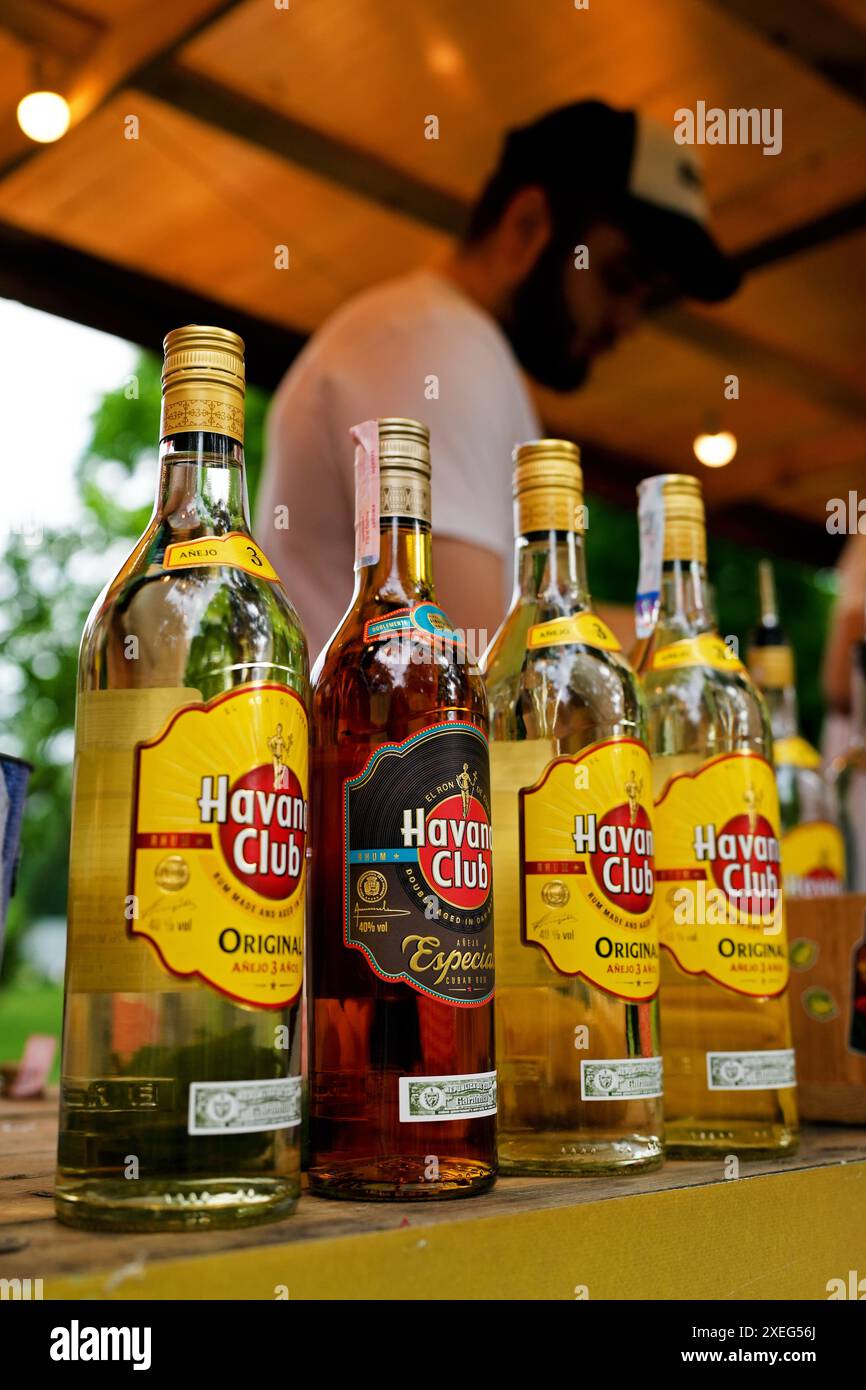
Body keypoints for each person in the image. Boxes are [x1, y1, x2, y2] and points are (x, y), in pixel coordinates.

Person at [257, 100, 741, 661]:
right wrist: (684, 656)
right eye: (619, 278)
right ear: (527, 227)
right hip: (392, 751)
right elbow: (475, 656)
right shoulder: (440, 343)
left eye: (646, 300)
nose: (627, 322)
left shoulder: (437, 336)